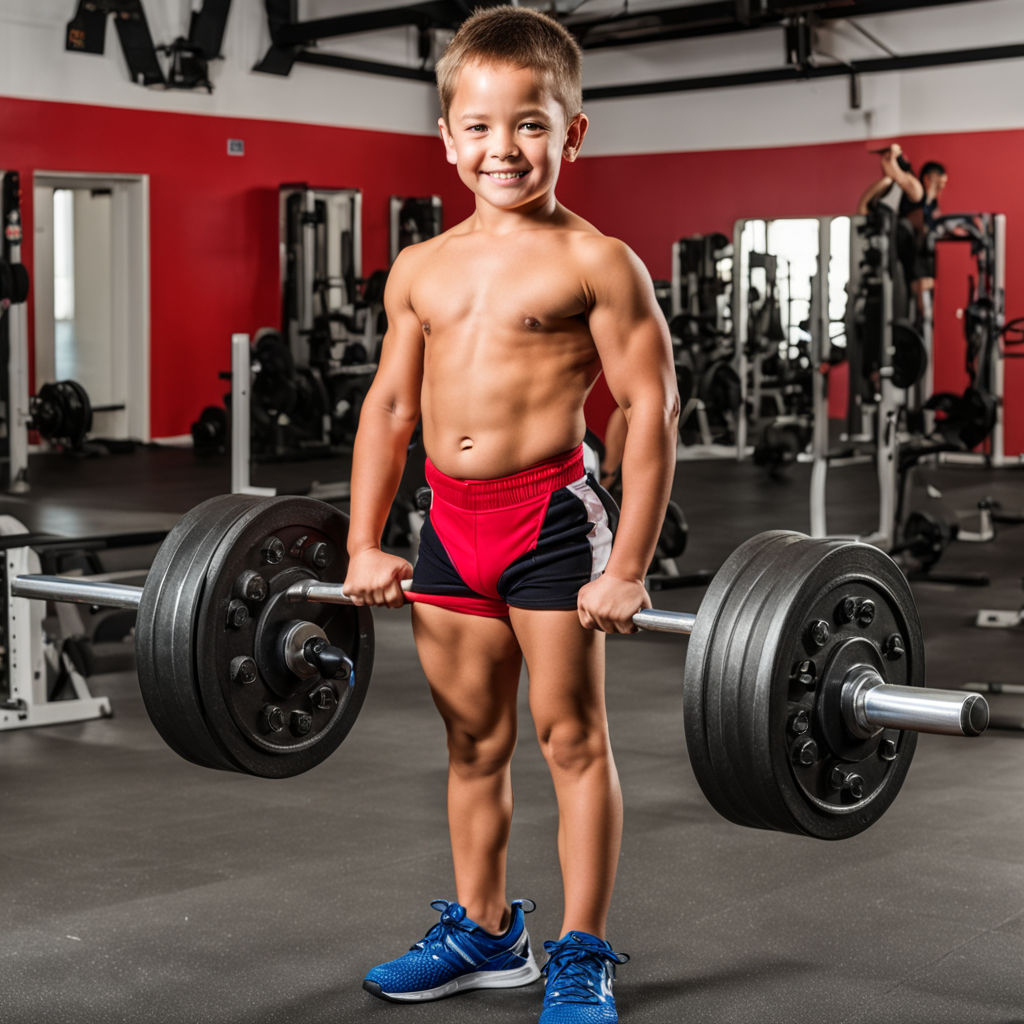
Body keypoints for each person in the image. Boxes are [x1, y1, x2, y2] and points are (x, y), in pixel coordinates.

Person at [340, 6, 679, 1023]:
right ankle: (487, 934)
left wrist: (626, 565)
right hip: (449, 523)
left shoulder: (597, 262)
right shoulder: (420, 267)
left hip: (548, 524)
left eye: (530, 124)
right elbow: (389, 409)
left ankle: (582, 949)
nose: (504, 148)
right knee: (472, 743)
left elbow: (651, 410)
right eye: (480, 127)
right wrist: (363, 541)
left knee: (570, 738)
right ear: (447, 138)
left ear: (573, 132)